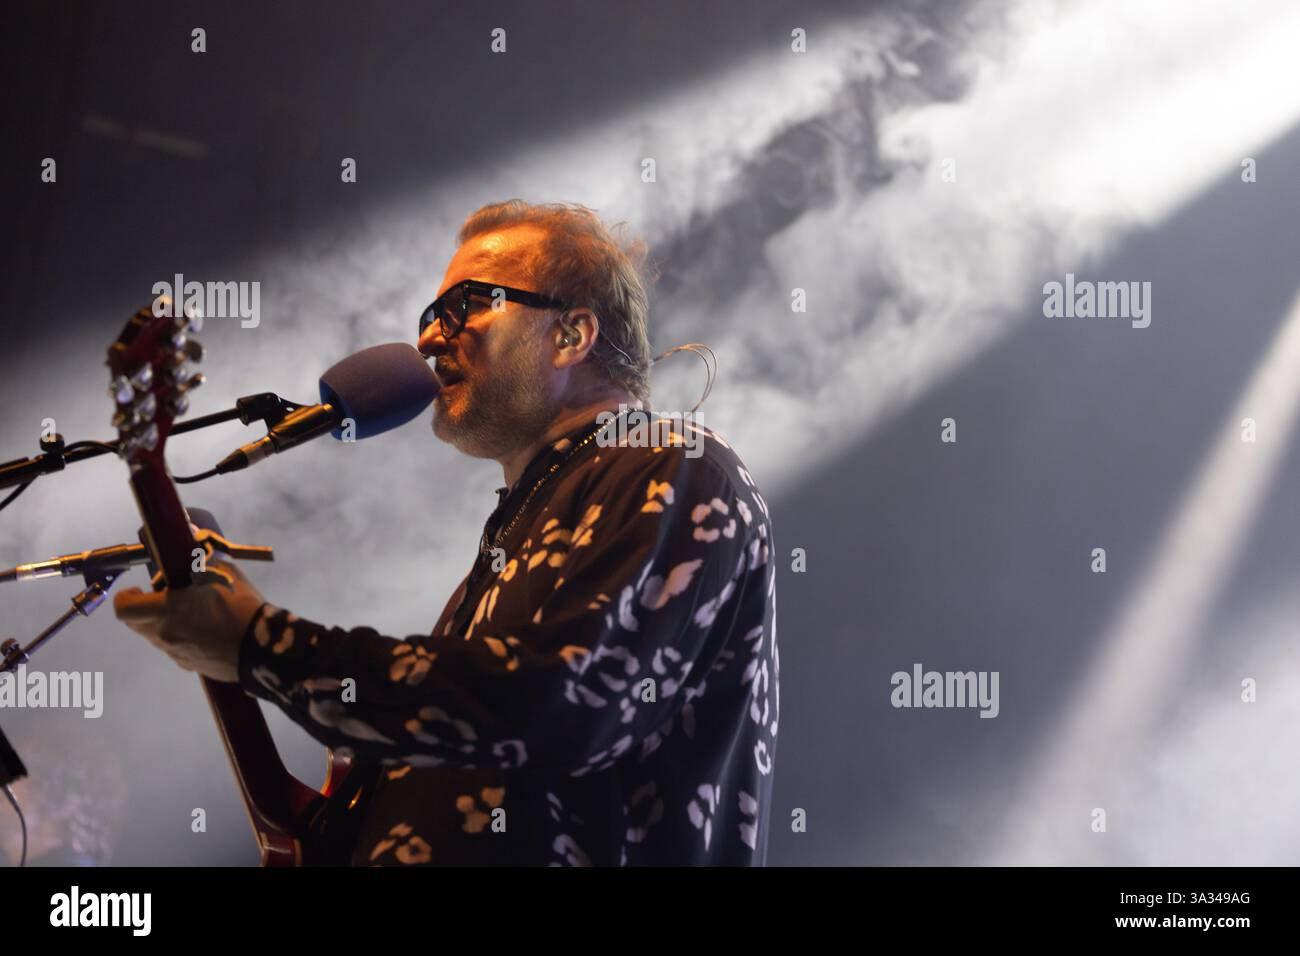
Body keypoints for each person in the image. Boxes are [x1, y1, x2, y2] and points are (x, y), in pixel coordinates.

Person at [114, 200, 779, 866]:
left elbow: (562, 703)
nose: (430, 339)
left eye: (466, 306)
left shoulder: (674, 459)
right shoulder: (511, 539)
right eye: (431, 316)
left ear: (571, 335)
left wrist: (262, 646)